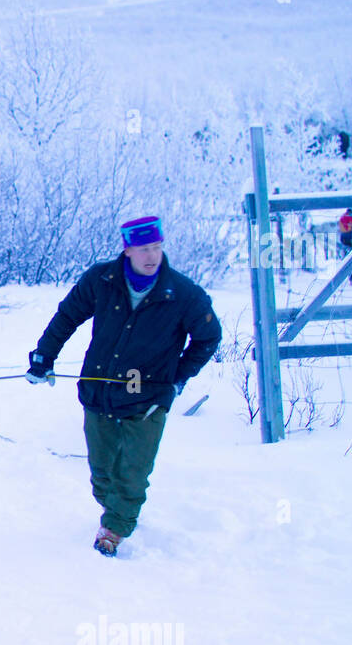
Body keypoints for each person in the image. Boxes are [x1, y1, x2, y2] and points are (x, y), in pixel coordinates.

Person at [25, 216, 221, 556]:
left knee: (132, 472)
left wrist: (177, 376)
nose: (152, 256)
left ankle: (114, 529)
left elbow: (208, 337)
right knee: (102, 472)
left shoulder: (183, 294)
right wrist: (44, 355)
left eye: (157, 247)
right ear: (127, 249)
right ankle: (115, 507)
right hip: (99, 392)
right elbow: (67, 316)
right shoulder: (102, 280)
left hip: (149, 399)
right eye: (144, 248)